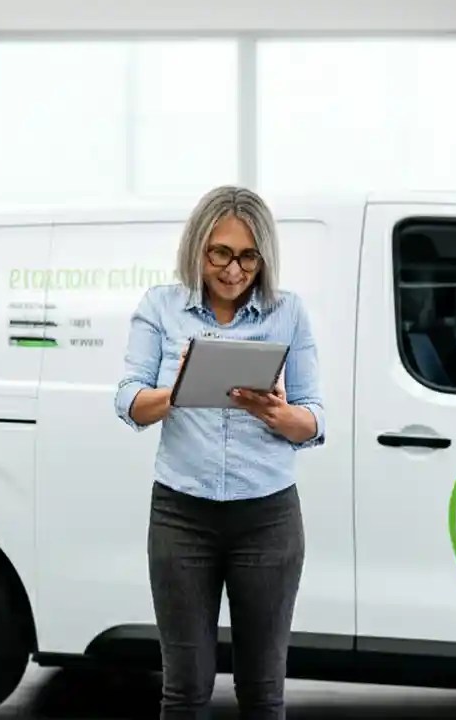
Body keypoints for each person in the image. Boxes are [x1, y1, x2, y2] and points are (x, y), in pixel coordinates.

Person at [114, 185, 325, 719]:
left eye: (249, 256)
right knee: (185, 690)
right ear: (198, 249)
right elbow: (129, 401)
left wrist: (276, 412)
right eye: (221, 254)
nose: (234, 270)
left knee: (262, 691)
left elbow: (313, 419)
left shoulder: (289, 313)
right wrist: (180, 388)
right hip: (182, 514)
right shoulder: (161, 308)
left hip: (268, 516)